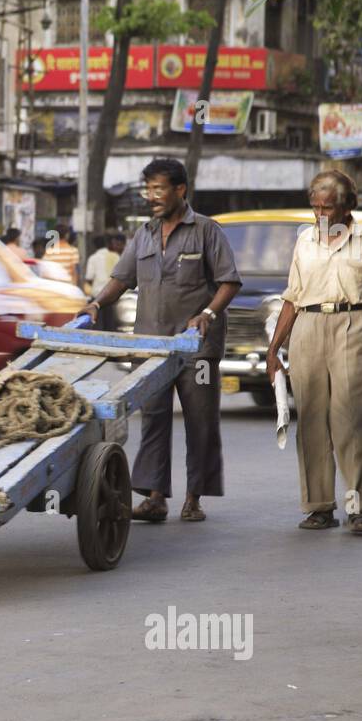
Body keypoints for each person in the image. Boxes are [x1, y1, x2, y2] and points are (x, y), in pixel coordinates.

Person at [80, 158, 241, 522]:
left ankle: (194, 497)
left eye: (159, 189)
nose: (151, 197)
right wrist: (95, 303)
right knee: (153, 418)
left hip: (196, 350)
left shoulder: (206, 231)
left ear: (180, 190)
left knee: (200, 421)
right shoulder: (145, 234)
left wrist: (208, 314)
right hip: (150, 347)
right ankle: (155, 496)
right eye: (148, 190)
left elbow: (229, 281)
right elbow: (121, 278)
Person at [265, 170, 362, 534]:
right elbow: (292, 298)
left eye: (329, 207)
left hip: (353, 326)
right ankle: (319, 506)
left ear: (348, 205)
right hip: (307, 326)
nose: (321, 215)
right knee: (310, 419)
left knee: (352, 419)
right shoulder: (305, 240)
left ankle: (358, 508)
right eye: (315, 207)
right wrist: (275, 350)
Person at [84, 232, 126, 331]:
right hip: (113, 295)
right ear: (108, 244)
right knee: (111, 324)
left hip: (97, 296)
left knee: (98, 326)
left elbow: (89, 277)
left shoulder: (93, 258)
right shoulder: (115, 256)